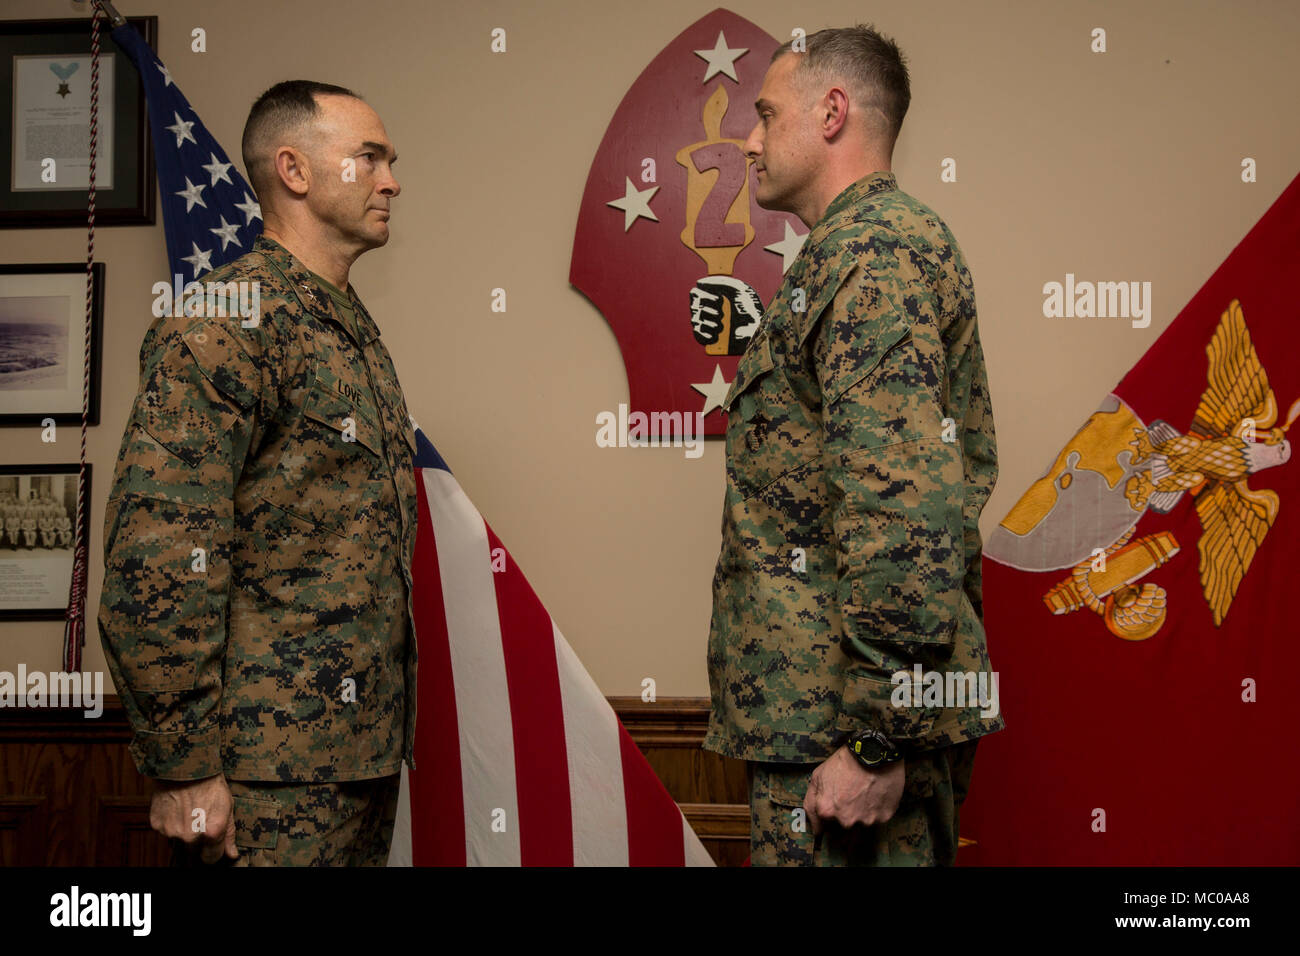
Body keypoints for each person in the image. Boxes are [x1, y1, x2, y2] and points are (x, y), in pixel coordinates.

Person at [703, 24, 1003, 866]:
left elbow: (901, 502)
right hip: (826, 720)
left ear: (832, 112)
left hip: (847, 735)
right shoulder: (846, 253)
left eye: (765, 114)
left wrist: (878, 739)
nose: (751, 140)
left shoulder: (873, 254)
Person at [98, 80, 418, 866]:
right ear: (295, 171)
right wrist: (185, 768)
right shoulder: (227, 319)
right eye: (368, 157)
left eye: (390, 161)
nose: (391, 179)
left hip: (353, 757)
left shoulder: (346, 324)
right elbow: (159, 552)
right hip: (260, 775)